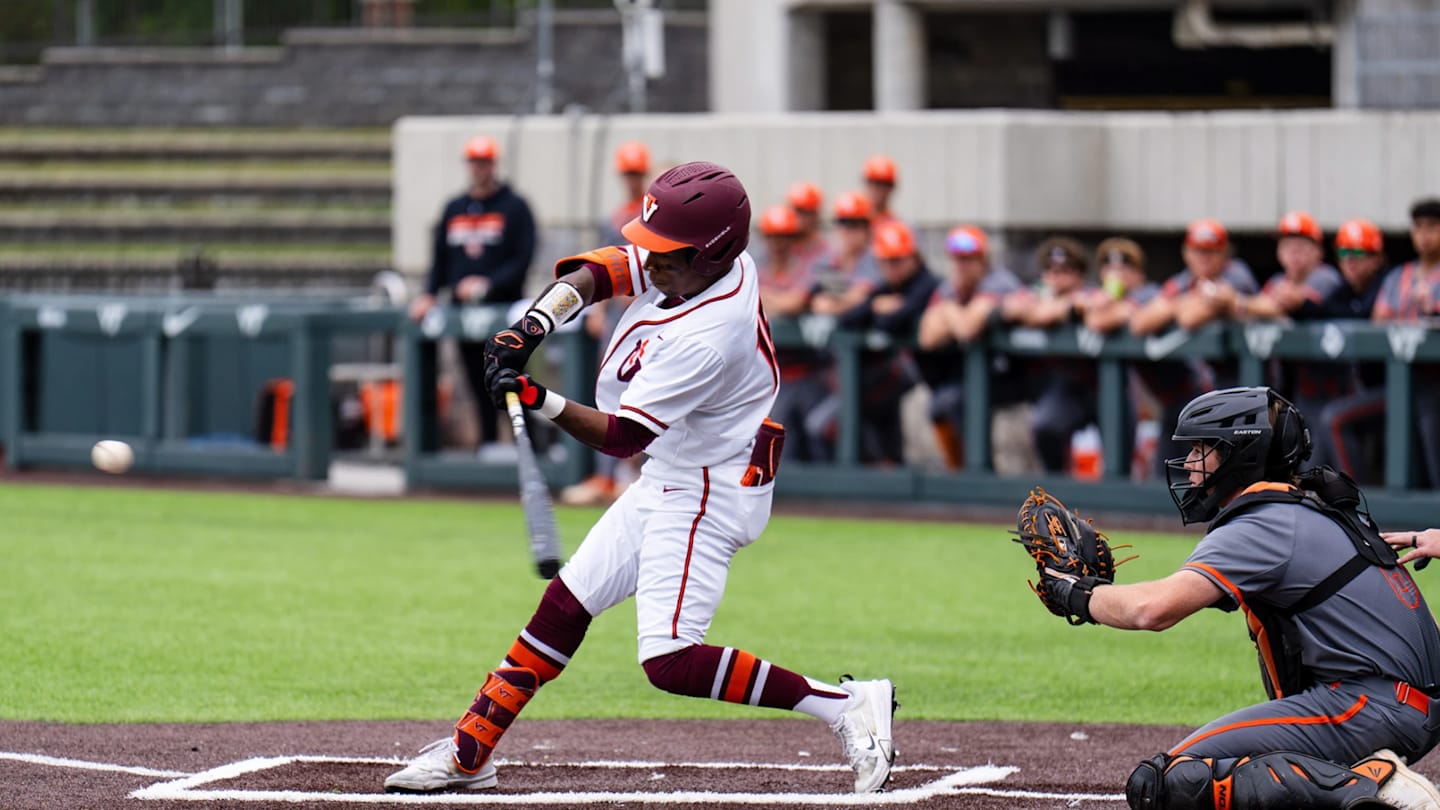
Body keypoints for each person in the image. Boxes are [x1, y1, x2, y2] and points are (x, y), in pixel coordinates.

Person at [383, 162, 897, 796]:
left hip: (710, 486)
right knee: (565, 605)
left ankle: (847, 706)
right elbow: (601, 271)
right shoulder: (700, 261)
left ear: (711, 255)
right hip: (678, 468)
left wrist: (537, 396)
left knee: (669, 660)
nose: (650, 265)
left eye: (667, 256)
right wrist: (533, 325)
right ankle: (470, 750)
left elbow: (626, 437)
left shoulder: (709, 333)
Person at [1060, 386, 1440, 810]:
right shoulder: (1304, 505)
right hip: (1400, 704)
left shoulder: (1263, 522)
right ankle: (1358, 779)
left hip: (1372, 706)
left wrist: (1076, 594)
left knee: (1169, 781)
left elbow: (1153, 610)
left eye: (1203, 448)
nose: (1189, 463)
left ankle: (1378, 788)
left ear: (1241, 455)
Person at [409, 135, 537, 454]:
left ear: (494, 164)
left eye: (485, 161)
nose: (479, 168)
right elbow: (440, 258)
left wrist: (488, 285)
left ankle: (533, 448)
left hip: (503, 312)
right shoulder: (455, 208)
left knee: (513, 379)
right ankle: (489, 445)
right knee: (477, 382)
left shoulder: (514, 207)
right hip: (463, 315)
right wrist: (429, 294)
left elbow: (522, 258)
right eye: (474, 162)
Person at [1130, 218, 1259, 473]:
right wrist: (1180, 304)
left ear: (1224, 252)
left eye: (1211, 251)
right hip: (1209, 388)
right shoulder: (1184, 281)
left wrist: (1173, 306)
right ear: (1187, 252)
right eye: (1198, 250)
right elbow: (1140, 322)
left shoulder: (1237, 274)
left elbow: (1191, 317)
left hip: (1249, 390)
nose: (1204, 258)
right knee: (1177, 417)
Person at [561, 140, 651, 506]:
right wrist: (597, 312)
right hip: (617, 314)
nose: (632, 180)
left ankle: (633, 475)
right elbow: (601, 266)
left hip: (647, 314)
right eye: (627, 173)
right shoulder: (616, 218)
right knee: (610, 392)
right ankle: (606, 475)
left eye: (636, 173)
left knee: (643, 392)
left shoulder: (651, 214)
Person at [915, 225, 1024, 469]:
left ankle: (980, 471)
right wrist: (951, 310)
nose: (962, 266)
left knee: (956, 400)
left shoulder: (999, 282)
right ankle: (961, 471)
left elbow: (966, 328)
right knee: (940, 404)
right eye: (957, 260)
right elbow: (927, 336)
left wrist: (947, 310)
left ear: (983, 259)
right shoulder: (951, 288)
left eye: (969, 259)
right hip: (979, 374)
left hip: (1017, 374)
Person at [834, 218, 939, 466]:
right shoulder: (888, 287)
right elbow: (848, 319)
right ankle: (887, 465)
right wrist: (875, 306)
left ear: (914, 258)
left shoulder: (927, 283)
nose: (891, 268)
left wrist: (882, 312)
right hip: (912, 372)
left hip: (942, 372)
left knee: (866, 398)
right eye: (886, 262)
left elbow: (896, 320)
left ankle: (887, 466)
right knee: (865, 399)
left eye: (897, 260)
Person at [1000, 237, 1097, 474]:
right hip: (1055, 387)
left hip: (1099, 386)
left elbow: (1092, 305)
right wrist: (1047, 309)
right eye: (1051, 270)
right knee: (1046, 427)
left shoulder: (1090, 294)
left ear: (1079, 274)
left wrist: (1056, 309)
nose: (1057, 276)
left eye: (1065, 270)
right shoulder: (1036, 294)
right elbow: (1009, 307)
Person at [1310, 218, 1390, 484]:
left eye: (1358, 253)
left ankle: (1357, 502)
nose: (1350, 261)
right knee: (1324, 416)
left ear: (1377, 258)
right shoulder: (1343, 291)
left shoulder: (1387, 286)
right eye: (1344, 253)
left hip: (1400, 391)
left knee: (1334, 417)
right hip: (1364, 391)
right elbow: (1322, 312)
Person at [1371, 197, 1440, 488]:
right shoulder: (1400, 275)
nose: (1424, 235)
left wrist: (1432, 308)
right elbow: (1378, 319)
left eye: (1432, 227)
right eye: (1419, 227)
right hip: (1402, 380)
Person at [786, 181, 830, 279]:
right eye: (796, 211)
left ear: (816, 215)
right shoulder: (781, 247)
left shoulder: (827, 251)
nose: (798, 218)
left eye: (804, 212)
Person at [861, 155, 900, 227]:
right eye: (872, 182)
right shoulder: (854, 223)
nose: (876, 189)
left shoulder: (897, 226)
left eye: (883, 184)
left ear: (892, 187)